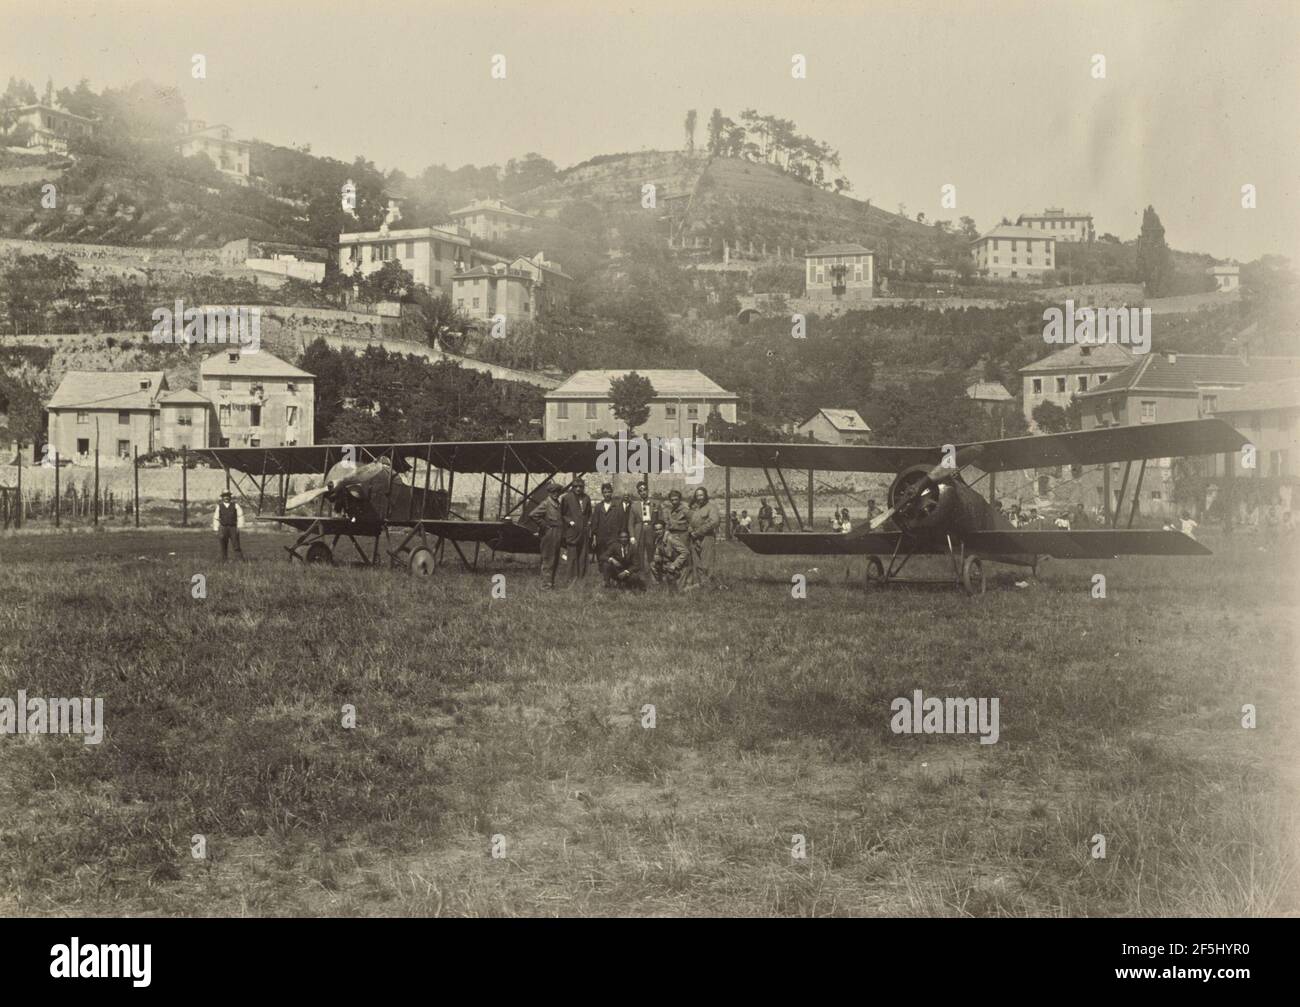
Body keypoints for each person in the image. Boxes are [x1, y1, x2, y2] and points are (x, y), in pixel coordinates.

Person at [529, 483, 564, 588]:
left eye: (557, 492)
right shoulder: (546, 504)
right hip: (549, 534)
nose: (556, 494)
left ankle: (551, 583)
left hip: (557, 534)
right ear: (549, 493)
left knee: (555, 559)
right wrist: (544, 525)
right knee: (548, 560)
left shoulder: (557, 504)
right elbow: (533, 514)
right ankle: (545, 585)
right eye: (553, 492)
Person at [686, 485, 721, 588]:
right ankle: (702, 584)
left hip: (707, 537)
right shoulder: (696, 509)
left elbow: (714, 522)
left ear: (705, 496)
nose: (699, 497)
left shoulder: (711, 507)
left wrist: (698, 532)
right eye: (697, 496)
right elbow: (691, 522)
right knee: (698, 563)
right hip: (695, 539)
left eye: (701, 495)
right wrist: (691, 531)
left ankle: (709, 586)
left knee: (707, 563)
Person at [559, 478, 590, 586]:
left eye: (580, 487)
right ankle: (571, 580)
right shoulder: (567, 498)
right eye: (576, 486)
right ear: (572, 487)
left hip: (584, 533)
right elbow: (562, 514)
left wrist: (588, 524)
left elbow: (589, 514)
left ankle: (582, 580)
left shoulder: (586, 498)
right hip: (572, 532)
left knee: (583, 557)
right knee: (572, 557)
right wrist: (570, 521)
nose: (578, 489)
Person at [590, 482, 627, 569]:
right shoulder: (598, 507)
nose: (607, 494)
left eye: (609, 492)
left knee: (614, 558)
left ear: (612, 492)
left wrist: (621, 538)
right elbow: (594, 524)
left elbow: (623, 523)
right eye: (605, 492)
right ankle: (603, 575)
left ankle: (613, 576)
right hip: (601, 538)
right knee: (602, 556)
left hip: (614, 537)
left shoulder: (618, 506)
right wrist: (594, 539)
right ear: (602, 493)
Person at [629, 481, 659, 572]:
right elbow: (630, 523)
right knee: (639, 552)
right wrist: (632, 536)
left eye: (645, 490)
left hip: (651, 530)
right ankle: (641, 574)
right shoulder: (634, 506)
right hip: (639, 530)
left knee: (651, 551)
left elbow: (661, 519)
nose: (643, 492)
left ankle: (653, 572)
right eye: (640, 491)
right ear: (638, 493)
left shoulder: (655, 503)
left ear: (648, 490)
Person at [650, 519, 688, 588]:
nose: (658, 532)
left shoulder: (671, 538)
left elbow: (685, 552)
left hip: (680, 566)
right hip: (668, 564)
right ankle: (660, 585)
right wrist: (657, 557)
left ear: (664, 529)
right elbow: (657, 553)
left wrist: (675, 564)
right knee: (653, 565)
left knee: (680, 591)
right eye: (656, 530)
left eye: (660, 529)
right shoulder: (658, 539)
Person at [212, 490, 245, 561]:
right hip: (223, 528)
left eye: (228, 496)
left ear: (230, 497)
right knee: (223, 545)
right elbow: (216, 518)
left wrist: (239, 527)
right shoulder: (219, 506)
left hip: (233, 527)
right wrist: (216, 529)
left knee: (236, 545)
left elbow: (240, 516)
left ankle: (240, 561)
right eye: (224, 496)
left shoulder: (235, 505)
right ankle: (224, 561)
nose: (226, 497)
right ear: (222, 497)